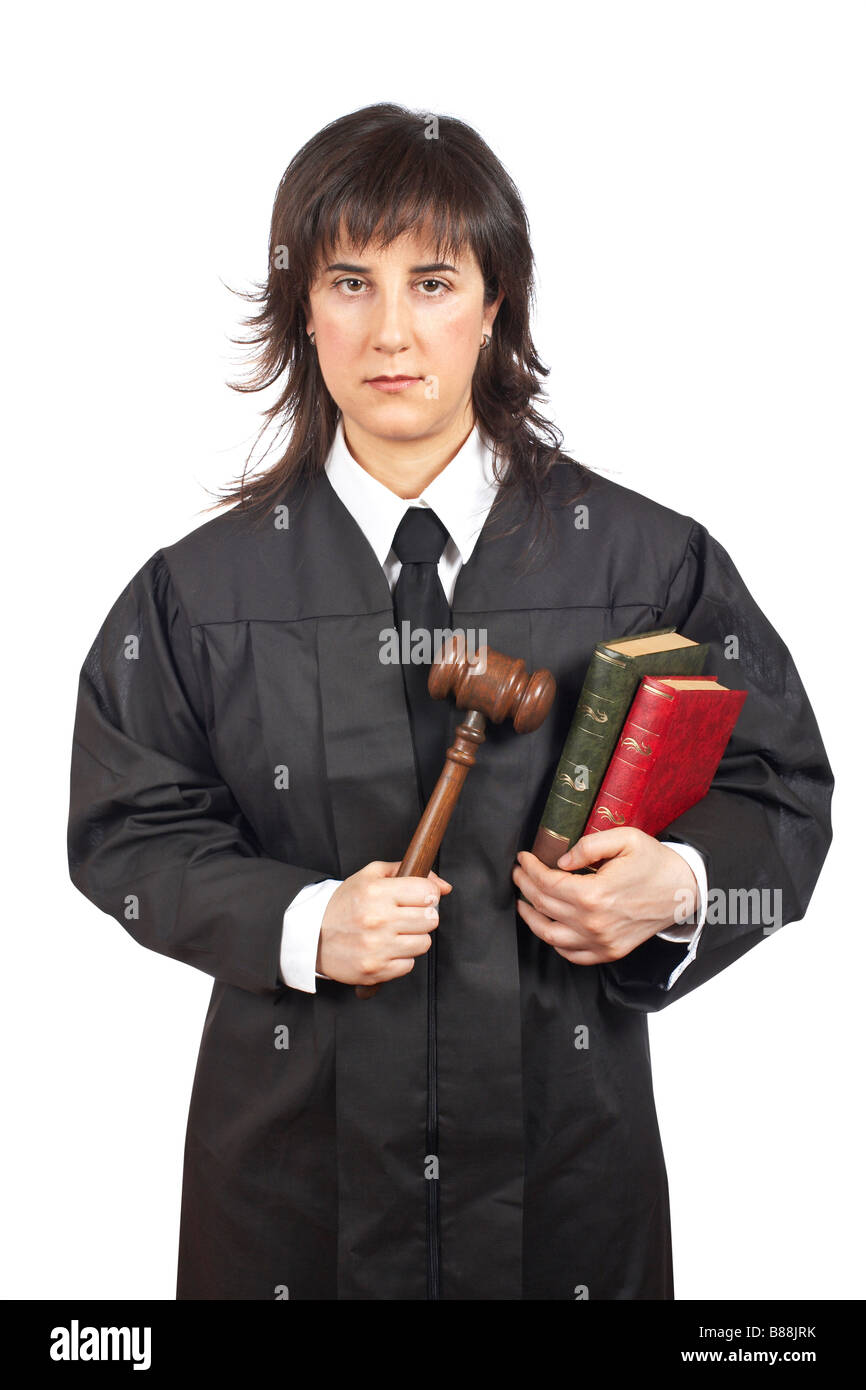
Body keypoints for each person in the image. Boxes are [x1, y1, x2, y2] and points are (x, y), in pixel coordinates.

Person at [66, 102, 833, 1301]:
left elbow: (776, 788)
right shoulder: (197, 594)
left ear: (493, 305)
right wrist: (301, 921)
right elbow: (126, 828)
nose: (389, 331)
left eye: (430, 282)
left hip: (562, 1173)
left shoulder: (640, 564)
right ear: (300, 309)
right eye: (347, 281)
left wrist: (673, 888)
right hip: (290, 1185)